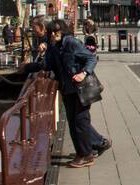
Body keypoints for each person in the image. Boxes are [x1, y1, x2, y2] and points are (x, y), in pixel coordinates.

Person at [27, 18, 110, 168]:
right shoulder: (53, 46)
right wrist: (38, 59)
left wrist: (83, 73)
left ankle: (86, 155)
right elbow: (48, 65)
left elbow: (91, 58)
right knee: (73, 122)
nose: (54, 35)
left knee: (80, 121)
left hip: (80, 89)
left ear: (62, 31)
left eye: (57, 32)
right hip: (67, 89)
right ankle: (85, 150)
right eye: (52, 32)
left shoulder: (71, 43)